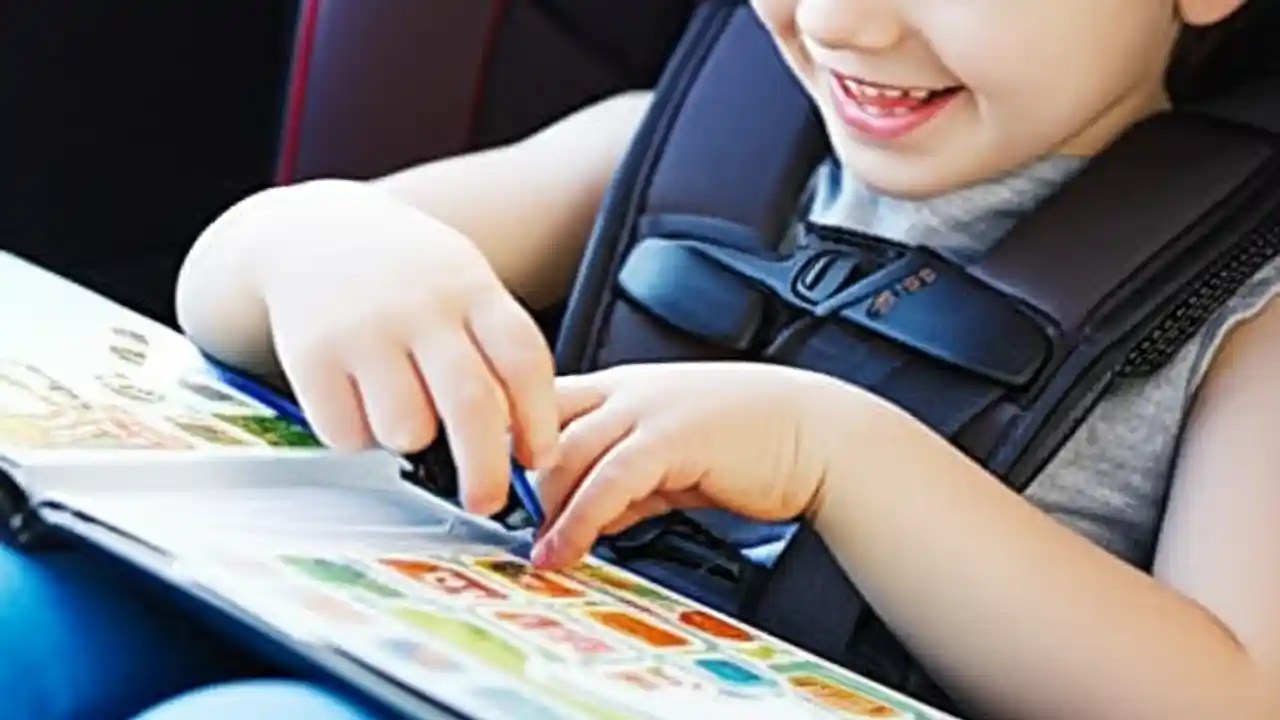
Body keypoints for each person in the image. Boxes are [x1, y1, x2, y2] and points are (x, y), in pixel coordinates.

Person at [3, 0, 1275, 718]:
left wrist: (837, 454)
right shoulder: (675, 152)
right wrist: (320, 241)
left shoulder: (1249, 315)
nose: (840, 20)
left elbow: (1225, 701)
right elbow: (225, 294)